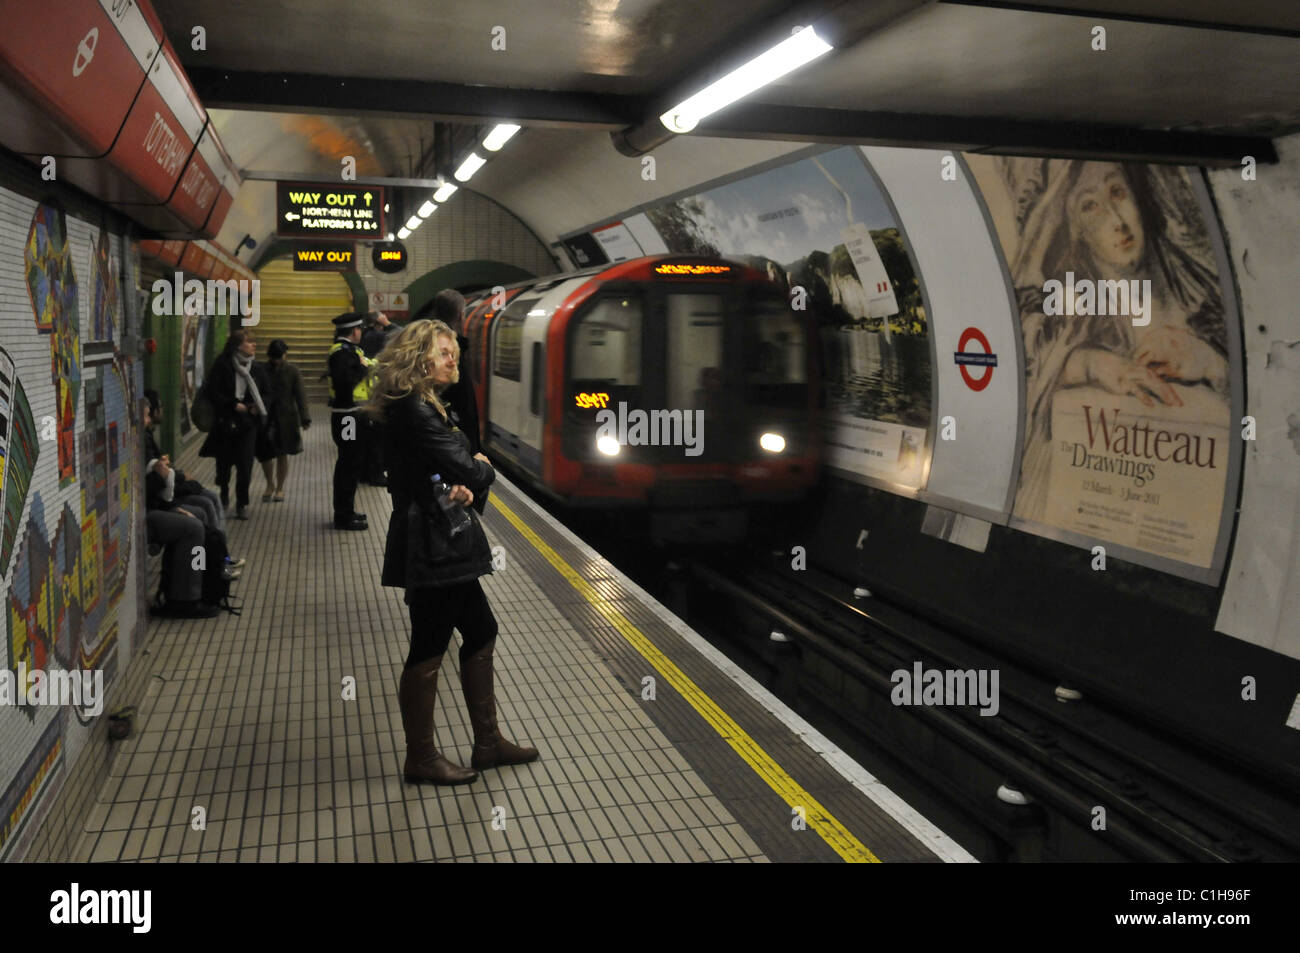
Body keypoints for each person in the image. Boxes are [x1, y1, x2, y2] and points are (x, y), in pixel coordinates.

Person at [1004, 160, 1229, 522]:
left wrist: (1214, 364)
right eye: (1089, 206)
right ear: (1075, 227)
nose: (1117, 221)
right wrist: (1092, 364)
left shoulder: (1202, 293)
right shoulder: (1065, 305)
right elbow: (1014, 357)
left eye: (1117, 192)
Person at [369, 319, 538, 785]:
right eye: (445, 353)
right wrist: (477, 470)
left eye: (455, 356)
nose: (453, 361)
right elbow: (467, 464)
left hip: (444, 533)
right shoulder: (414, 410)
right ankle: (421, 757)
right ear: (420, 356)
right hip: (430, 543)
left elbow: (440, 468)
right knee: (429, 644)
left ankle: (487, 743)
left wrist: (459, 481)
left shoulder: (425, 404)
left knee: (481, 629)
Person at [143, 398, 236, 617]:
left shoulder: (144, 439)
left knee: (201, 513)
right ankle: (186, 598)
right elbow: (148, 488)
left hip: (158, 504)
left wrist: (165, 479)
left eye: (148, 414)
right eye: (145, 415)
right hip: (148, 511)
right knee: (194, 526)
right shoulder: (138, 444)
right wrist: (161, 476)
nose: (148, 419)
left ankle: (206, 573)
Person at [200, 330, 271, 520]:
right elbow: (213, 391)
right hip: (226, 421)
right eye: (249, 342)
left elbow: (267, 392)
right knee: (224, 463)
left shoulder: (256, 368)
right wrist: (232, 404)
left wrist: (258, 405)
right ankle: (223, 492)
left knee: (245, 464)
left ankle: (242, 502)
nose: (254, 345)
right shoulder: (223, 365)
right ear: (237, 345)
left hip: (248, 424)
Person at [431, 289, 487, 512]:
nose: (450, 363)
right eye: (444, 356)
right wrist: (477, 460)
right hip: (451, 459)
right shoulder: (422, 409)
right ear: (461, 315)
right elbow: (466, 410)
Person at [327, 312, 376, 529]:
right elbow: (344, 384)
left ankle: (348, 511)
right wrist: (363, 368)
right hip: (347, 416)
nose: (361, 333)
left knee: (352, 464)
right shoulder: (341, 354)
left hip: (352, 415)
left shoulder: (349, 352)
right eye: (360, 330)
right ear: (354, 331)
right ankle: (343, 516)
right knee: (348, 464)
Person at [259, 339, 310, 502]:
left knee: (282, 453)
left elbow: (300, 394)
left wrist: (305, 417)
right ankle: (269, 484)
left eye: (280, 357)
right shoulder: (261, 370)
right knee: (265, 454)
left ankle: (279, 487)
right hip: (265, 417)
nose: (278, 361)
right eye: (275, 358)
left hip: (286, 417)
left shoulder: (292, 371)